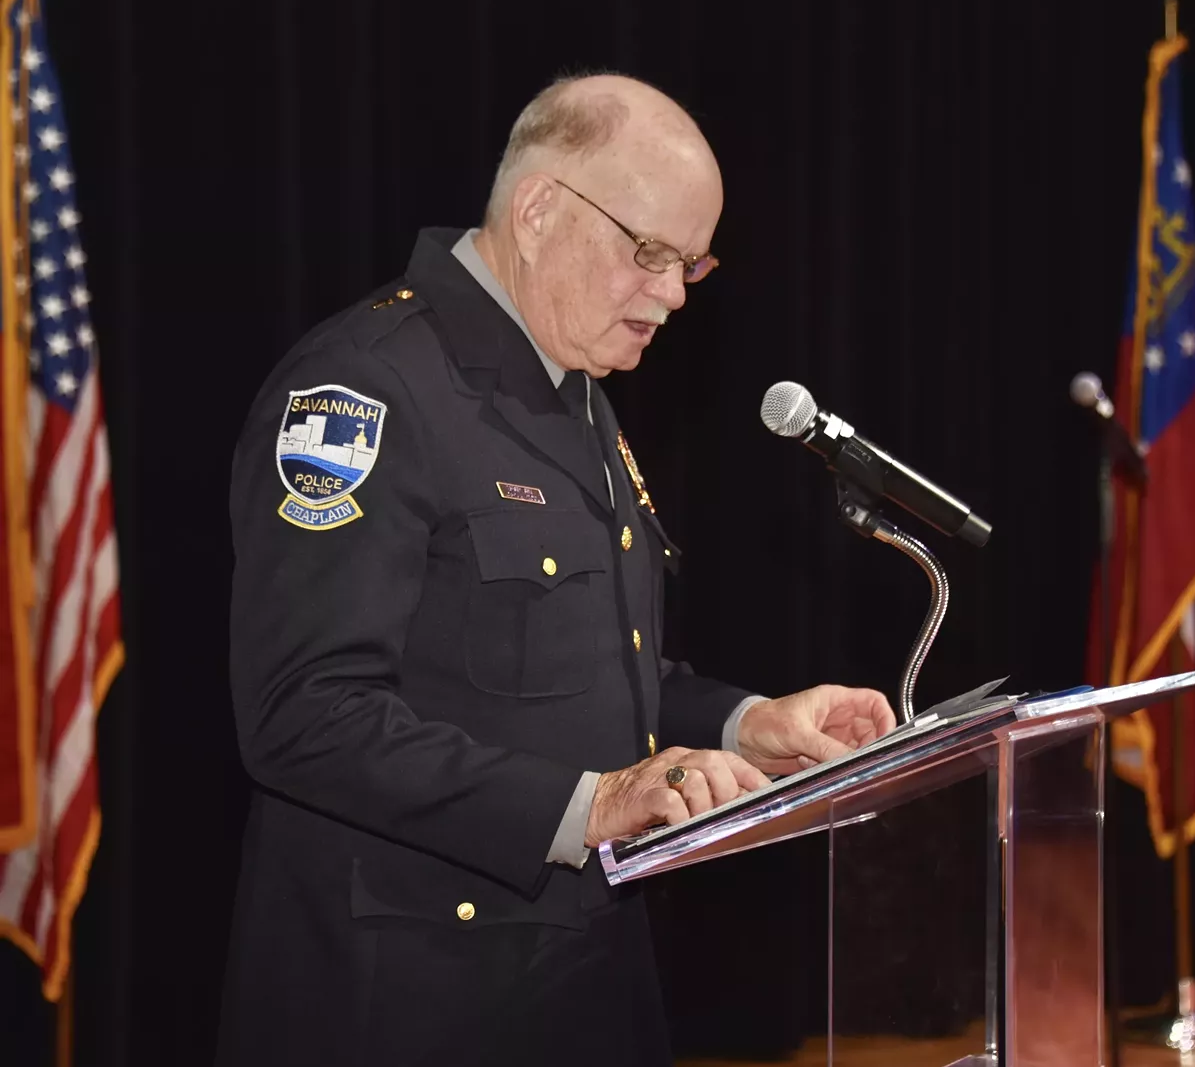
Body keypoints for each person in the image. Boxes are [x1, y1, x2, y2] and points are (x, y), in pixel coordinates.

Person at [217, 72, 896, 1067]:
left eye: (691, 265)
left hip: (578, 987)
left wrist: (749, 723)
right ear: (538, 211)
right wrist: (591, 806)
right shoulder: (363, 385)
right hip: (409, 1005)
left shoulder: (574, 391)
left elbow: (585, 680)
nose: (670, 294)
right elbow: (303, 716)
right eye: (650, 252)